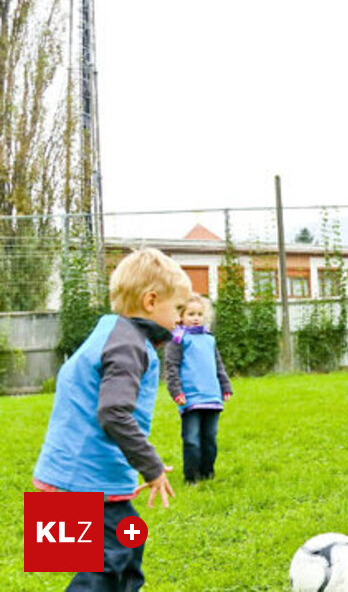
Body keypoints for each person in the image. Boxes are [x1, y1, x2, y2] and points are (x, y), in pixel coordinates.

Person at [32, 248, 191, 590]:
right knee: (106, 562)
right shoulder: (128, 345)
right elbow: (113, 413)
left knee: (127, 543)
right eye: (177, 308)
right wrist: (150, 465)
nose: (181, 318)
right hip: (82, 479)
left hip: (68, 472)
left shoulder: (111, 330)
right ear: (151, 301)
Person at [165, 294, 233, 483]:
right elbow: (172, 367)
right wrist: (176, 391)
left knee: (210, 438)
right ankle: (191, 477)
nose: (196, 318)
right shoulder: (178, 339)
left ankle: (207, 473)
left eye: (200, 314)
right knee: (192, 440)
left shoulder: (209, 339)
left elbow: (218, 365)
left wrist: (225, 386)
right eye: (191, 314)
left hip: (211, 396)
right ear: (181, 316)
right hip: (190, 399)